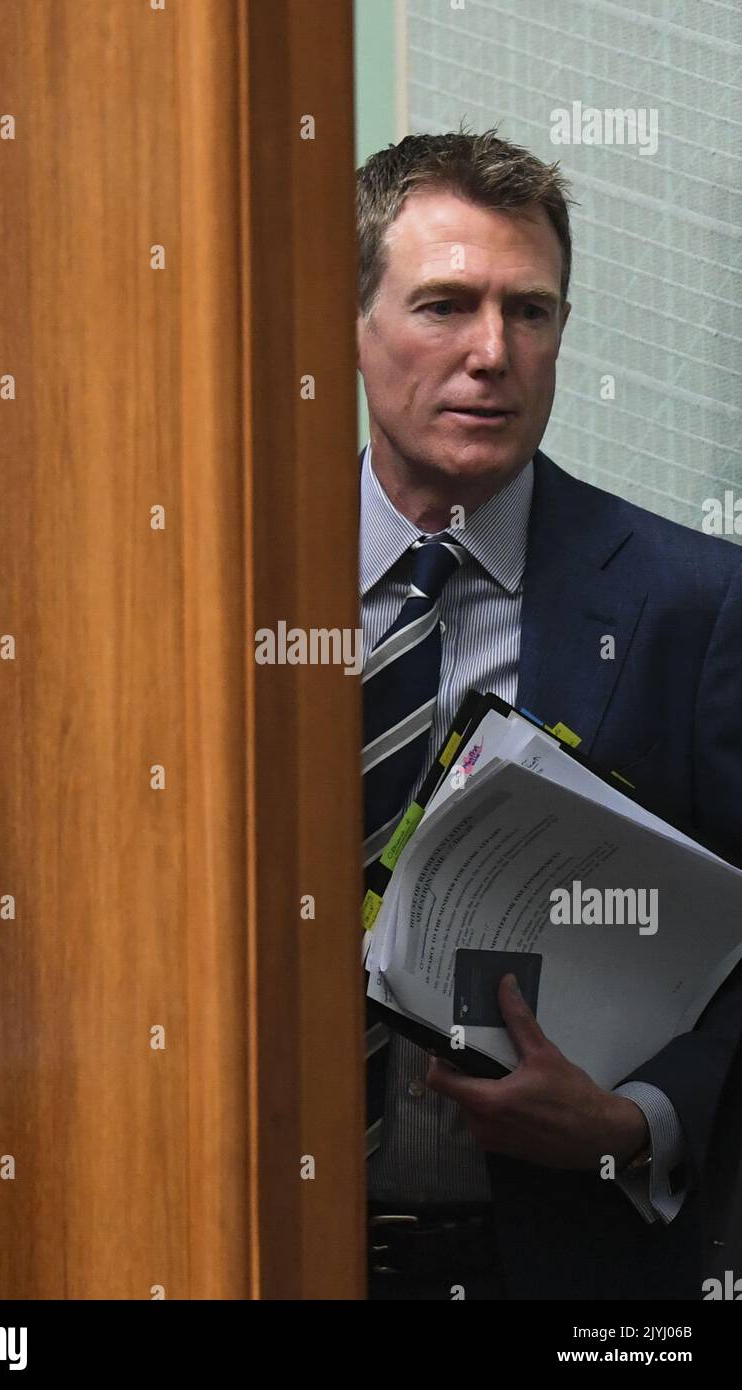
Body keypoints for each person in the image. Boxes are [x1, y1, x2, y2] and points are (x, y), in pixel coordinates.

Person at [357, 127, 742, 1301]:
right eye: (441, 305)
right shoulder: (218, 585)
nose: (489, 353)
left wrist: (637, 1117)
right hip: (246, 1240)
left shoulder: (693, 602)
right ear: (350, 324)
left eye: (528, 312)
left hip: (566, 1269)